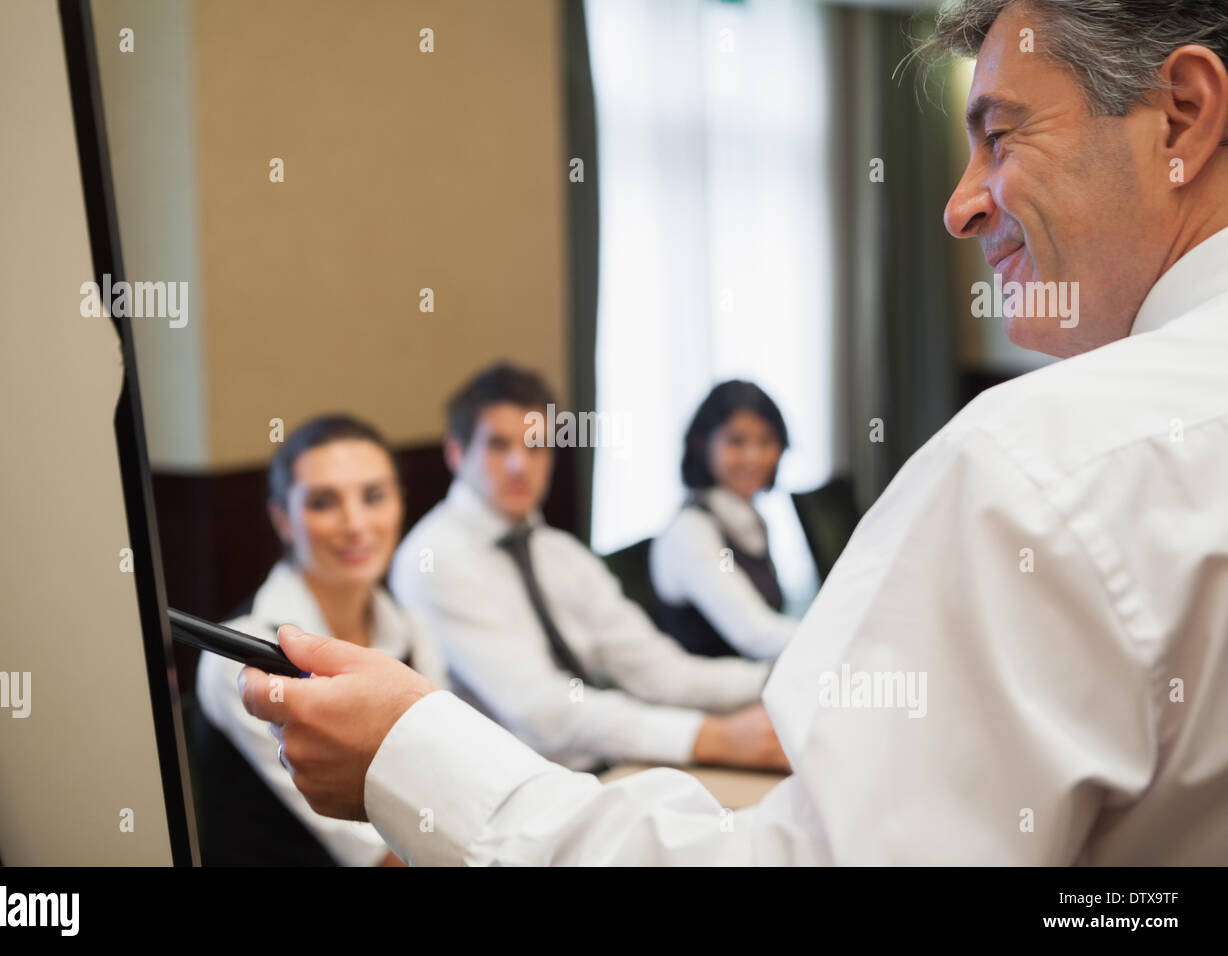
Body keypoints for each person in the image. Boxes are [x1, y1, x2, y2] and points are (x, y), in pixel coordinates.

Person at [241, 0, 1228, 864]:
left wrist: (413, 756)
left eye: (1000, 135)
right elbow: (559, 703)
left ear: (1182, 113)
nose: (958, 203)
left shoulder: (1038, 462)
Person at [388, 362, 787, 774]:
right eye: (498, 446)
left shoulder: (559, 552)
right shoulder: (434, 558)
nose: (519, 465)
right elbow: (538, 707)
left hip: (608, 767)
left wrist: (777, 679)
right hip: (515, 794)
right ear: (456, 452)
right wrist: (709, 737)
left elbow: (657, 670)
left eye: (535, 446)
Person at [193, 414, 446, 866]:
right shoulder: (244, 657)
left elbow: (444, 777)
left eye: (374, 496)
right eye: (323, 503)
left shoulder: (409, 626)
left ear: (400, 505)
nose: (356, 524)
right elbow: (378, 856)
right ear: (283, 519)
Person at [650, 380, 805, 659]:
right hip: (716, 696)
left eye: (766, 441)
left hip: (757, 685)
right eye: (736, 441)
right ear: (702, 443)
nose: (753, 457)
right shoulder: (690, 531)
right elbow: (755, 635)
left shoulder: (749, 517)